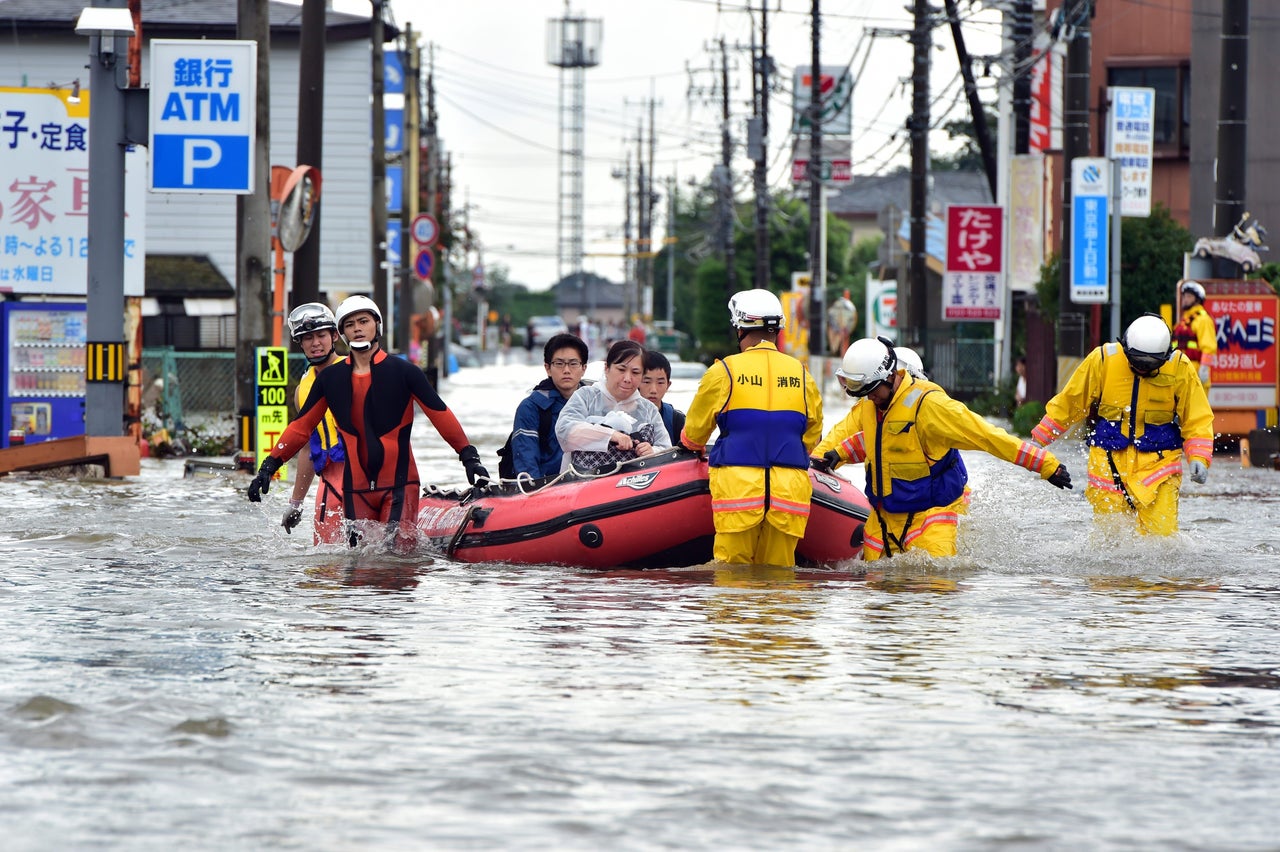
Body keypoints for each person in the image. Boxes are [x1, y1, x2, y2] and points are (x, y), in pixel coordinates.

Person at [247, 295, 490, 549]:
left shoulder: (404, 372)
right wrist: (269, 465)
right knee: (357, 569)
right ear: (342, 333)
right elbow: (301, 428)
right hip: (356, 489)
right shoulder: (330, 380)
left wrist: (469, 457)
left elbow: (440, 415)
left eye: (364, 321)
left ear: (377, 325)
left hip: (399, 483)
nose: (358, 328)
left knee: (396, 562)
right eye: (350, 324)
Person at [813, 337, 1072, 561]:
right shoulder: (871, 408)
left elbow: (988, 437)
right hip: (883, 521)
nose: (869, 398)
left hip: (930, 519)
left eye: (871, 391)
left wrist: (1046, 465)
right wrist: (823, 459)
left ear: (890, 375)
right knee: (877, 599)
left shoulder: (931, 406)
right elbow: (869, 443)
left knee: (934, 589)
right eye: (863, 393)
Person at [1030, 314, 1213, 536]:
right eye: (1138, 362)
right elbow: (1071, 401)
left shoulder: (1179, 367)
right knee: (1110, 539)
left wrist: (1199, 457)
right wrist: (1039, 440)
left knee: (1162, 541)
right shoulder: (1104, 359)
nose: (1143, 369)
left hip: (1159, 466)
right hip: (1107, 463)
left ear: (1165, 357)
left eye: (1151, 365)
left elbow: (1196, 417)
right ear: (1125, 348)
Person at [680, 289, 824, 568]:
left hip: (739, 493)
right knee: (780, 581)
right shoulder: (802, 373)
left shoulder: (724, 371)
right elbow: (812, 434)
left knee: (732, 578)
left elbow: (695, 433)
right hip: (788, 494)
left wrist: (690, 446)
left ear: (739, 328)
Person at [280, 303, 347, 544]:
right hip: (328, 482)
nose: (315, 343)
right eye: (307, 338)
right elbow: (309, 448)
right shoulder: (302, 390)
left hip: (363, 476)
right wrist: (296, 503)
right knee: (324, 563)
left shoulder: (356, 371)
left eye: (321, 335)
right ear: (300, 343)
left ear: (335, 336)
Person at [556, 339, 671, 474]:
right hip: (583, 483)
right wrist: (611, 435)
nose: (627, 378)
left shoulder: (649, 409)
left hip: (633, 486)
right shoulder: (586, 396)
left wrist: (653, 451)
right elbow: (564, 430)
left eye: (635, 372)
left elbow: (667, 449)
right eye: (621, 369)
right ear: (607, 368)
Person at [501, 332, 588, 480]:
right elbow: (526, 461)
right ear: (548, 368)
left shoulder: (595, 402)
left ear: (584, 368)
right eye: (559, 364)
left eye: (573, 364)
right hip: (548, 486)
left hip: (589, 484)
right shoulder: (531, 407)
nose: (566, 370)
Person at [1172, 280, 1217, 389]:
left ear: (1197, 299)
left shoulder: (1203, 320)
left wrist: (1204, 369)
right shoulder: (1184, 321)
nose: (1185, 299)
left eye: (1189, 296)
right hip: (1179, 372)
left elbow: (1209, 348)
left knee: (1197, 406)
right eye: (1184, 296)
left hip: (1195, 372)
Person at [640, 349, 686, 444]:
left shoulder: (677, 421)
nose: (653, 390)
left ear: (668, 385)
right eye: (647, 382)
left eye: (660, 382)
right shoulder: (623, 416)